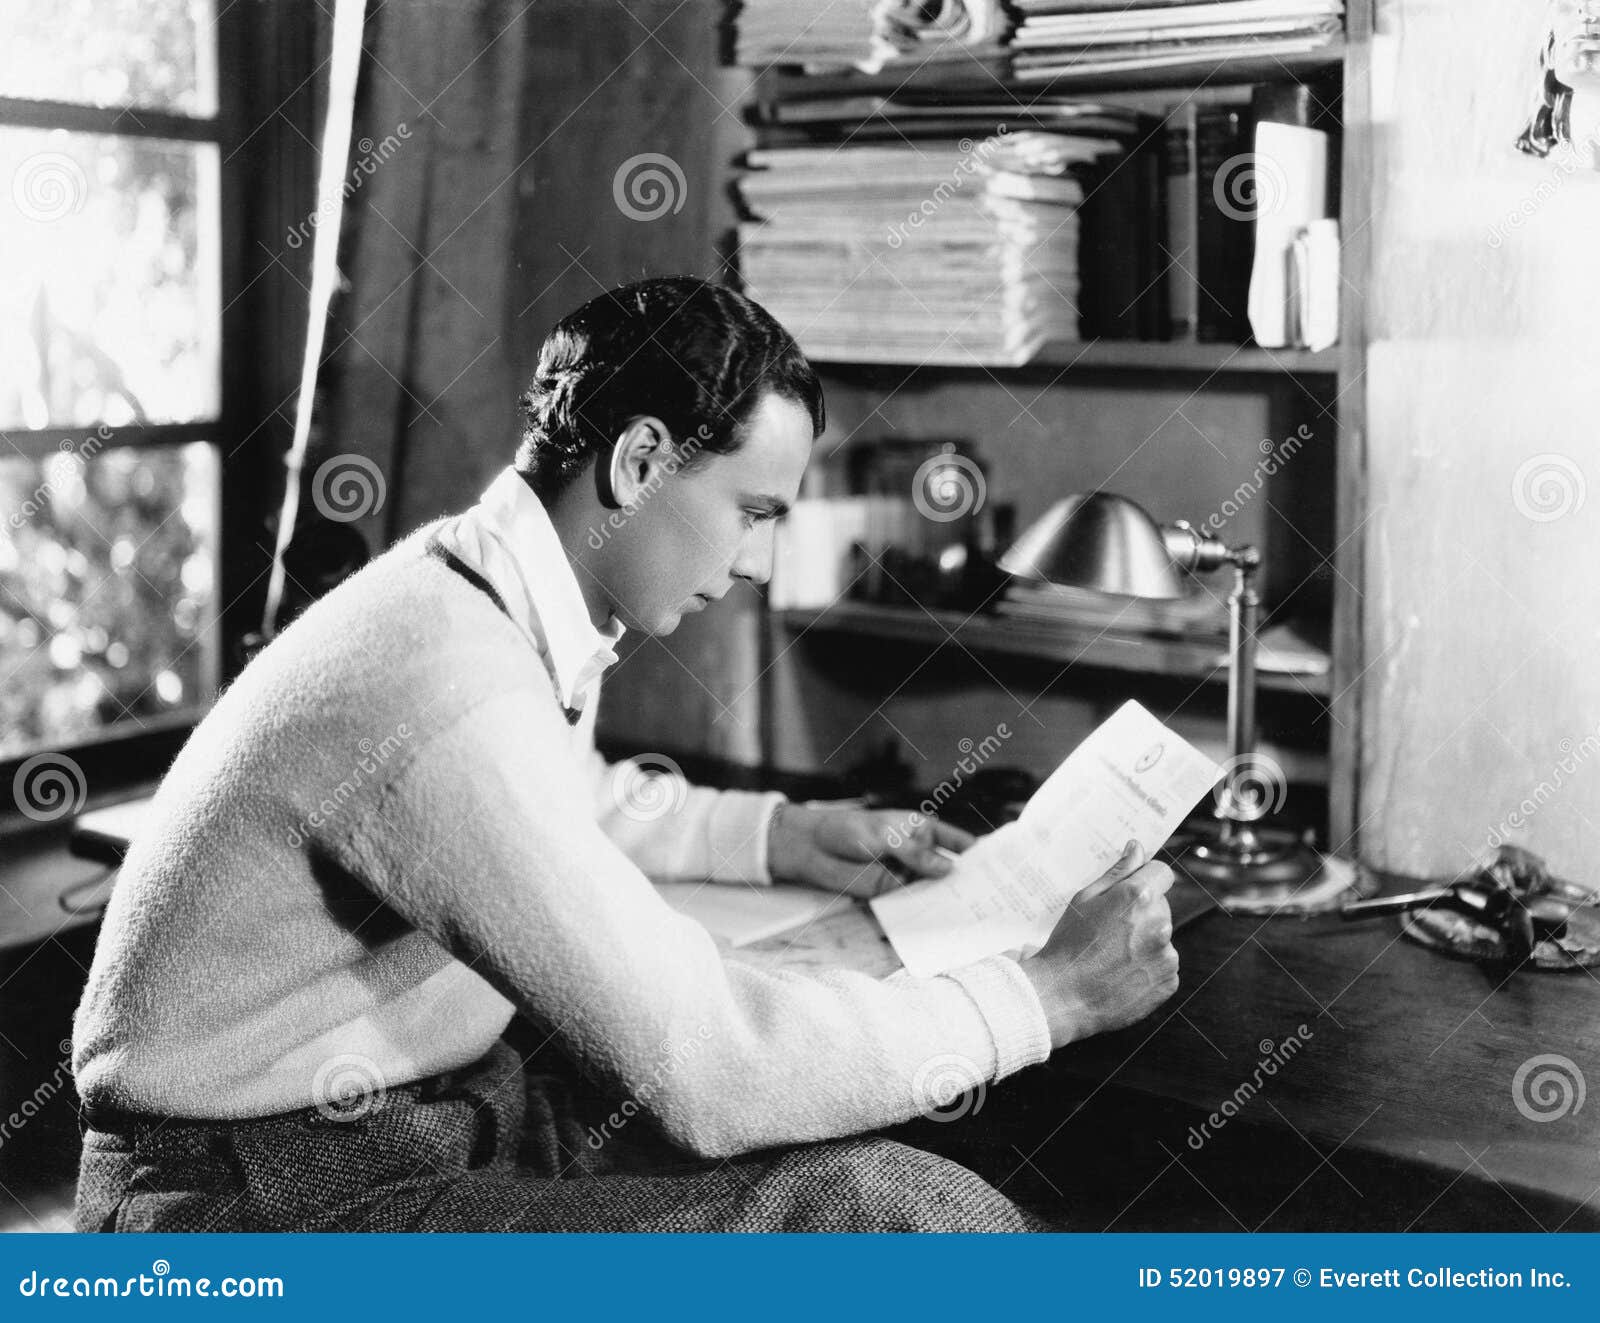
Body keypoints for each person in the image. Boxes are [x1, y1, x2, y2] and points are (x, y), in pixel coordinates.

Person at [72, 277, 1178, 1233]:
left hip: (426, 1115)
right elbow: (713, 1070)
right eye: (751, 511)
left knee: (865, 1155)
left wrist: (777, 834)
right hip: (261, 1205)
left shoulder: (475, 596)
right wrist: (1046, 997)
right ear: (641, 458)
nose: (755, 563)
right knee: (876, 1211)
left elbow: (553, 803)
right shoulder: (436, 682)